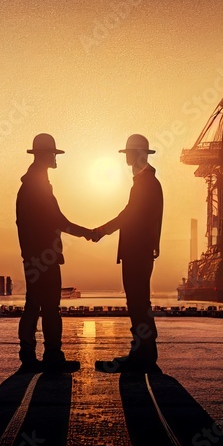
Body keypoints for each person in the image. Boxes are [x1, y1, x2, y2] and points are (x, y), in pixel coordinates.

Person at [16, 133, 97, 372]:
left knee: (33, 304)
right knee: (49, 307)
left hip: (35, 256)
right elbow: (57, 220)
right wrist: (86, 232)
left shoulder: (32, 184)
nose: (55, 157)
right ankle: (51, 355)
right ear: (44, 156)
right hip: (43, 257)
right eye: (53, 153)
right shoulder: (37, 186)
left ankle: (28, 354)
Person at [94, 134, 164, 372]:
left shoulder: (145, 184)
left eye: (128, 154)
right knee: (139, 302)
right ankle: (146, 351)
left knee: (137, 302)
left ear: (135, 155)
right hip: (141, 251)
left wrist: (101, 231)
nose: (127, 159)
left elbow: (128, 215)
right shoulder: (147, 182)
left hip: (137, 252)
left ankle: (142, 354)